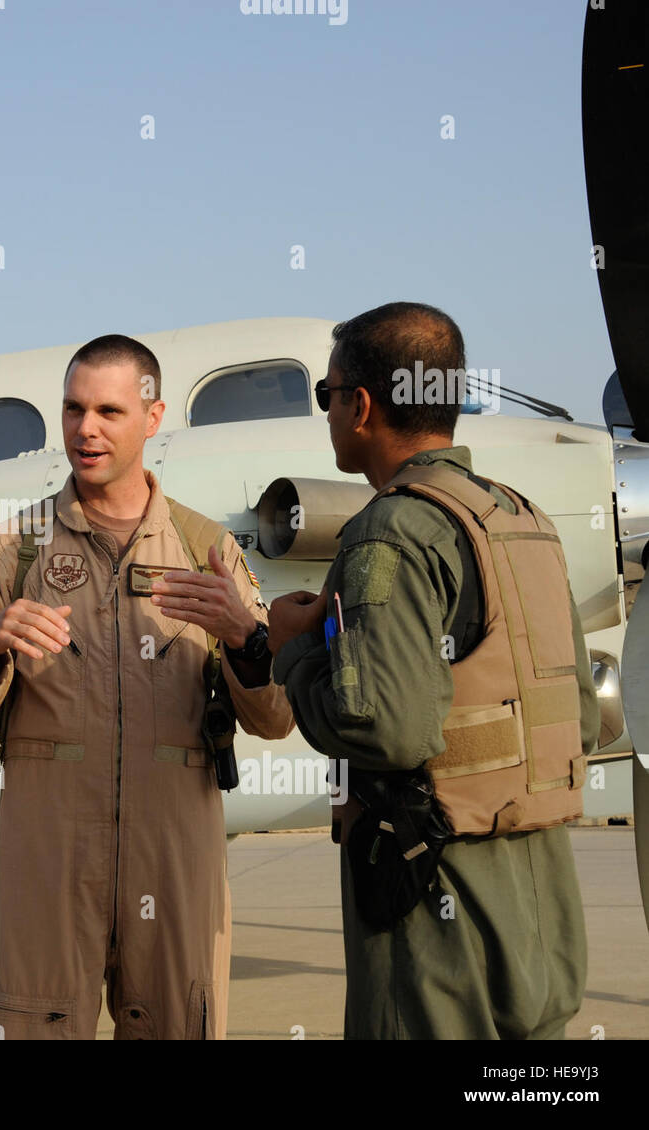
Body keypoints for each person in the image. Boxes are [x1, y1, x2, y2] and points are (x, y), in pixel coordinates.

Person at [0, 334, 295, 1039]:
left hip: (173, 854)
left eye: (108, 411)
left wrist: (246, 637)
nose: (84, 429)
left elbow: (275, 718)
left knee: (179, 1024)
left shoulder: (206, 550)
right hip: (49, 857)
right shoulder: (16, 547)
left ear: (152, 420)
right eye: (72, 409)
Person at [268, 301, 595, 1039]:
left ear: (360, 405)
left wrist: (291, 648)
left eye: (328, 396)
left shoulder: (390, 529)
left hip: (437, 909)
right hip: (542, 907)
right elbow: (581, 707)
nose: (326, 414)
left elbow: (382, 728)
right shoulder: (522, 519)